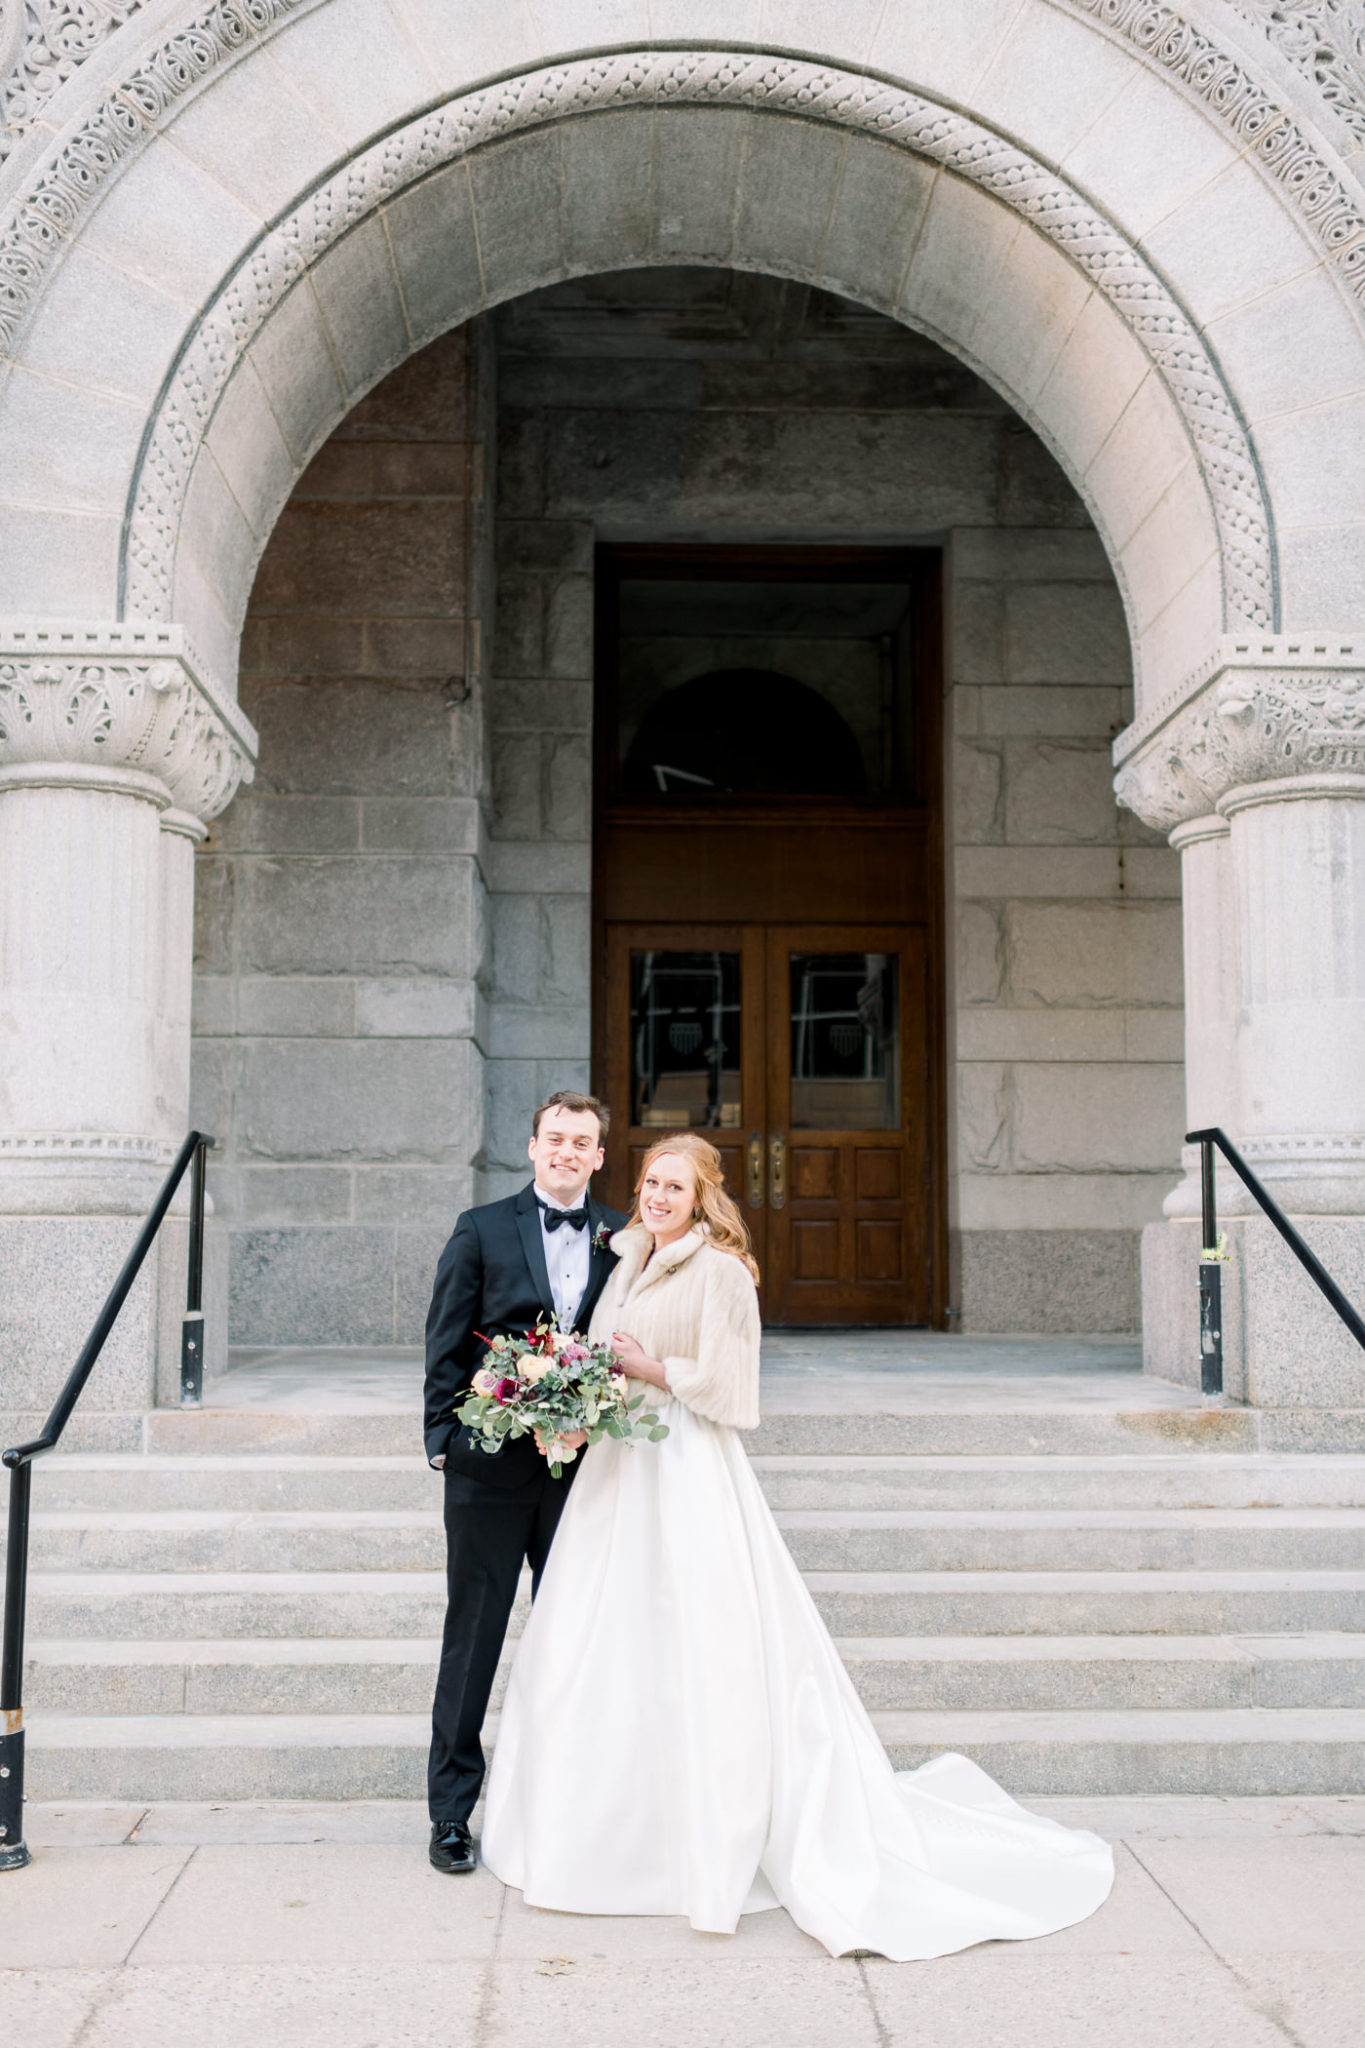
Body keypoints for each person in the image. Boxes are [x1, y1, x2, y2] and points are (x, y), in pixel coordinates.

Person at [480, 1130, 1115, 1961]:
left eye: (675, 1187)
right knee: (591, 1644)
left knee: (697, 1643)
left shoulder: (720, 1273)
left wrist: (653, 1368)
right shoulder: (624, 1257)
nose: (657, 1198)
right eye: (649, 1183)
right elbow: (606, 1351)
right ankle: (593, 1831)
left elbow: (735, 1392)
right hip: (615, 1469)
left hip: (683, 1467)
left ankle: (713, 1838)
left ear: (704, 1198)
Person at [422, 1090, 625, 1876]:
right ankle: (450, 1814)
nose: (567, 1152)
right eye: (555, 1139)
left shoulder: (621, 1239)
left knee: (575, 1637)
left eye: (583, 1142)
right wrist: (444, 1441)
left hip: (583, 1470)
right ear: (533, 1146)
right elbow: (445, 1338)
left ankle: (566, 1804)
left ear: (600, 1156)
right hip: (489, 1470)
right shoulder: (480, 1229)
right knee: (472, 1638)